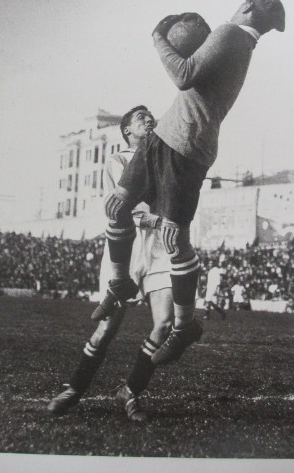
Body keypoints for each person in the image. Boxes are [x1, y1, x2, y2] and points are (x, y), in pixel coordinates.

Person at [95, 0, 285, 366]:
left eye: (243, 0)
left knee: (172, 237)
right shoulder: (238, 43)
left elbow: (184, 75)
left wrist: (158, 39)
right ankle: (119, 281)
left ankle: (184, 326)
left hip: (185, 149)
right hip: (166, 138)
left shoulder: (230, 34)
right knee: (117, 205)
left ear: (248, 7)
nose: (237, 4)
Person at [47, 105, 174, 422]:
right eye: (141, 117)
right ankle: (74, 388)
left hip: (159, 246)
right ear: (127, 130)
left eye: (150, 116)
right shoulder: (118, 160)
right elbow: (125, 206)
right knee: (107, 328)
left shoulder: (166, 159)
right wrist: (158, 217)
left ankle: (130, 391)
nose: (149, 119)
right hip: (127, 245)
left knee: (165, 323)